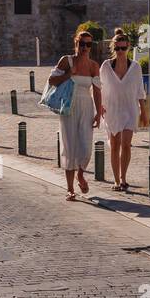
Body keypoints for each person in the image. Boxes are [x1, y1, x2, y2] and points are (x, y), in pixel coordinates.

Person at [47, 29, 103, 200]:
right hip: (69, 107)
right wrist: (68, 74)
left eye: (88, 44)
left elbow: (98, 91)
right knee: (69, 145)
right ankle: (70, 188)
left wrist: (98, 111)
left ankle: (81, 174)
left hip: (86, 106)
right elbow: (51, 81)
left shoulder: (94, 65)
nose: (85, 47)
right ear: (76, 43)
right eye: (82, 43)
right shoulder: (66, 61)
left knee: (86, 147)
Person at [99, 29, 145, 192]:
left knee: (126, 144)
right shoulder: (106, 66)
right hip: (112, 109)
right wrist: (99, 107)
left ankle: (124, 178)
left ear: (128, 48)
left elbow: (140, 91)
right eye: (117, 48)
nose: (120, 52)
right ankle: (116, 180)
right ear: (113, 48)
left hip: (130, 110)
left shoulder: (136, 67)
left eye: (123, 48)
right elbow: (99, 87)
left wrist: (144, 113)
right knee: (114, 145)